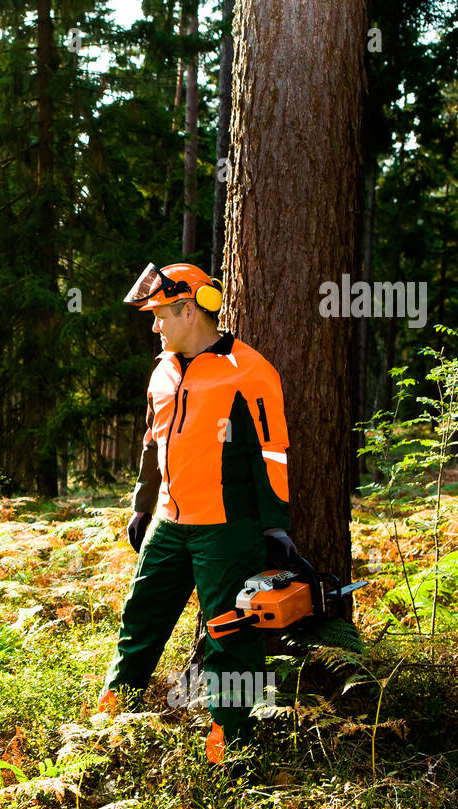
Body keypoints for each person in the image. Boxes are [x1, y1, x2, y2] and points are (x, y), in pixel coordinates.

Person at [102, 262, 297, 763]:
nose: (154, 325)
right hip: (169, 523)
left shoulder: (249, 371)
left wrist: (275, 525)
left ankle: (231, 741)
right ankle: (110, 717)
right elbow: (152, 444)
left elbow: (272, 453)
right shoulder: (162, 371)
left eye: (160, 314)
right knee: (140, 617)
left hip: (227, 528)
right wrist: (142, 508)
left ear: (189, 310)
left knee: (231, 635)